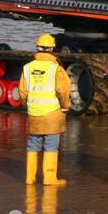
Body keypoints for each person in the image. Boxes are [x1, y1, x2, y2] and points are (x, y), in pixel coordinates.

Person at [19, 33, 72, 185]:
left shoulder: (27, 67)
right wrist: (66, 106)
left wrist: (28, 105)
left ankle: (30, 178)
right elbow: (63, 91)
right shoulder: (56, 69)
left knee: (33, 144)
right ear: (52, 49)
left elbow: (22, 92)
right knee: (51, 145)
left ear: (38, 47)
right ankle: (49, 178)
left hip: (34, 111)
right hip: (52, 112)